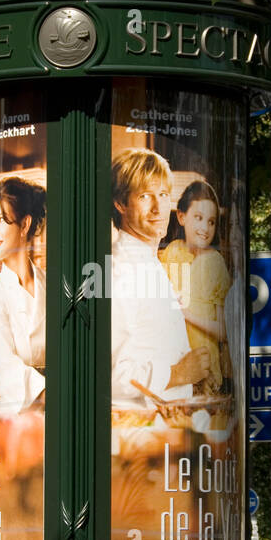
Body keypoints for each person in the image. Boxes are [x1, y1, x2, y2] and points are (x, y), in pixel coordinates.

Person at [110, 148, 210, 410]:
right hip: (138, 436)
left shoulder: (148, 262)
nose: (158, 208)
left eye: (163, 195)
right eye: (144, 196)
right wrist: (178, 374)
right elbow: (109, 376)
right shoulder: (122, 271)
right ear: (120, 204)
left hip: (168, 430)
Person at [159, 180, 231, 394]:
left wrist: (186, 315)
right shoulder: (172, 251)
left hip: (205, 374)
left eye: (211, 222)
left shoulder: (216, 263)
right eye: (198, 218)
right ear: (181, 217)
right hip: (175, 367)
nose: (205, 228)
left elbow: (224, 331)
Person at [0, 176, 47, 414]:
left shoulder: (48, 283)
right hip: (20, 419)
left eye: (2, 219)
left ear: (25, 224)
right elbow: (7, 367)